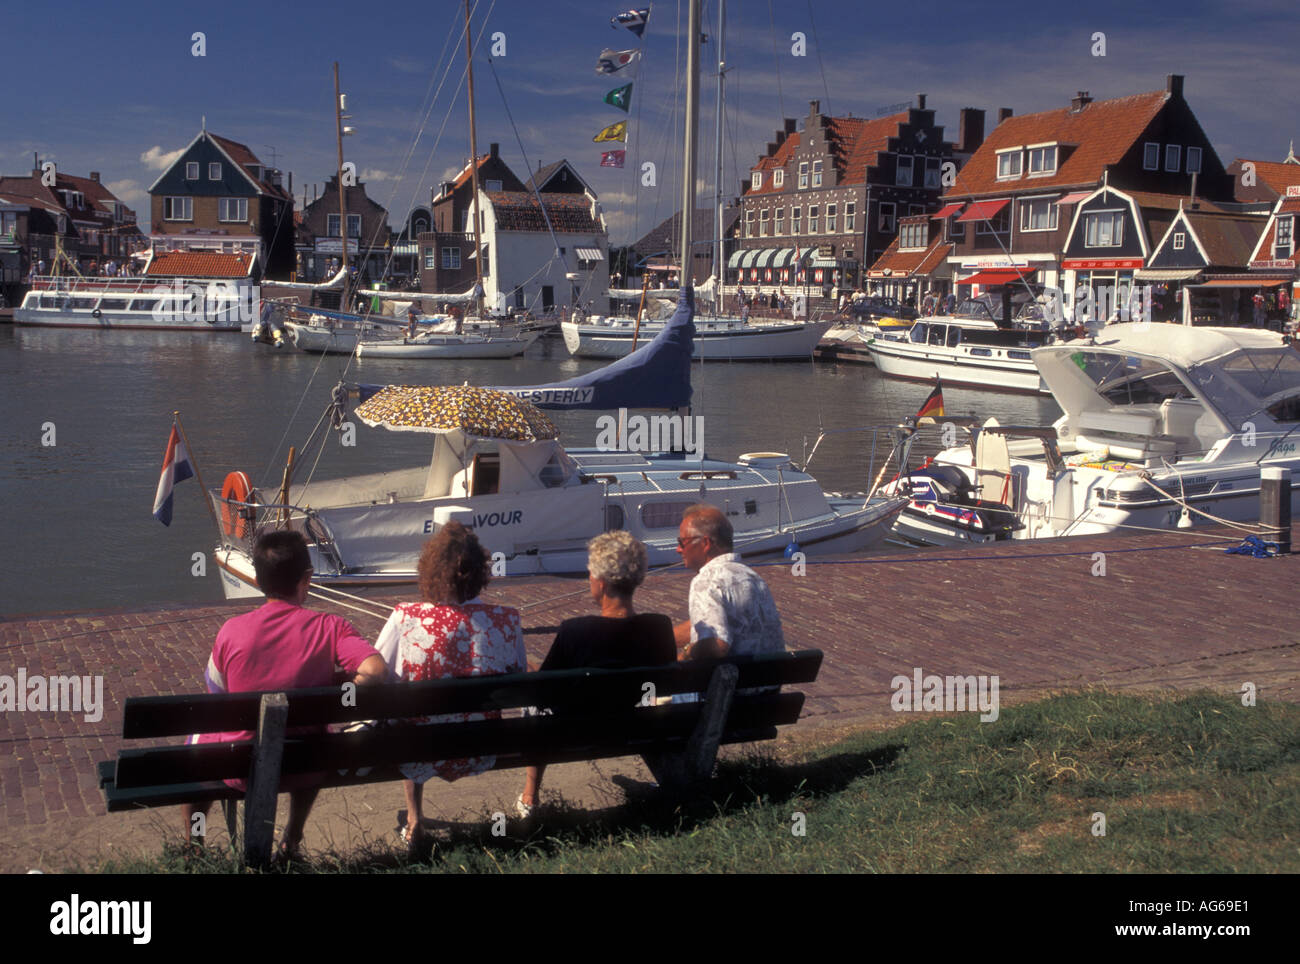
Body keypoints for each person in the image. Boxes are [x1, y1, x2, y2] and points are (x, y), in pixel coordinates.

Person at [182, 531, 387, 858]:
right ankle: (292, 838)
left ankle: (194, 845)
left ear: (258, 579)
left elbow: (216, 692)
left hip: (240, 769)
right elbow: (376, 671)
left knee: (198, 741)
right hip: (306, 764)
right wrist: (333, 686)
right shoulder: (330, 627)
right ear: (306, 578)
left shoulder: (231, 630)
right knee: (316, 736)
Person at [374, 522, 525, 846]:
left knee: (407, 710)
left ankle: (414, 822)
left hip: (419, 749)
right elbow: (519, 675)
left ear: (430, 569)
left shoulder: (406, 617)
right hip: (481, 747)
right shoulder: (507, 619)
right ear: (480, 572)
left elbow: (379, 672)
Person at [517, 531, 674, 815]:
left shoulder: (575, 631)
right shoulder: (659, 627)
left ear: (600, 584)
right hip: (633, 726)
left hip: (574, 731)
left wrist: (529, 671)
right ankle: (672, 781)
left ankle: (530, 798)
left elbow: (543, 695)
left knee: (532, 706)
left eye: (590, 574)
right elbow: (660, 682)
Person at [672, 504, 785, 660]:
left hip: (733, 682)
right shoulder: (753, 578)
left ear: (705, 543)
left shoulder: (707, 581)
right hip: (769, 680)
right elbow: (715, 620)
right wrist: (661, 640)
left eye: (682, 542)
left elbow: (717, 644)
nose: (678, 549)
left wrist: (686, 653)